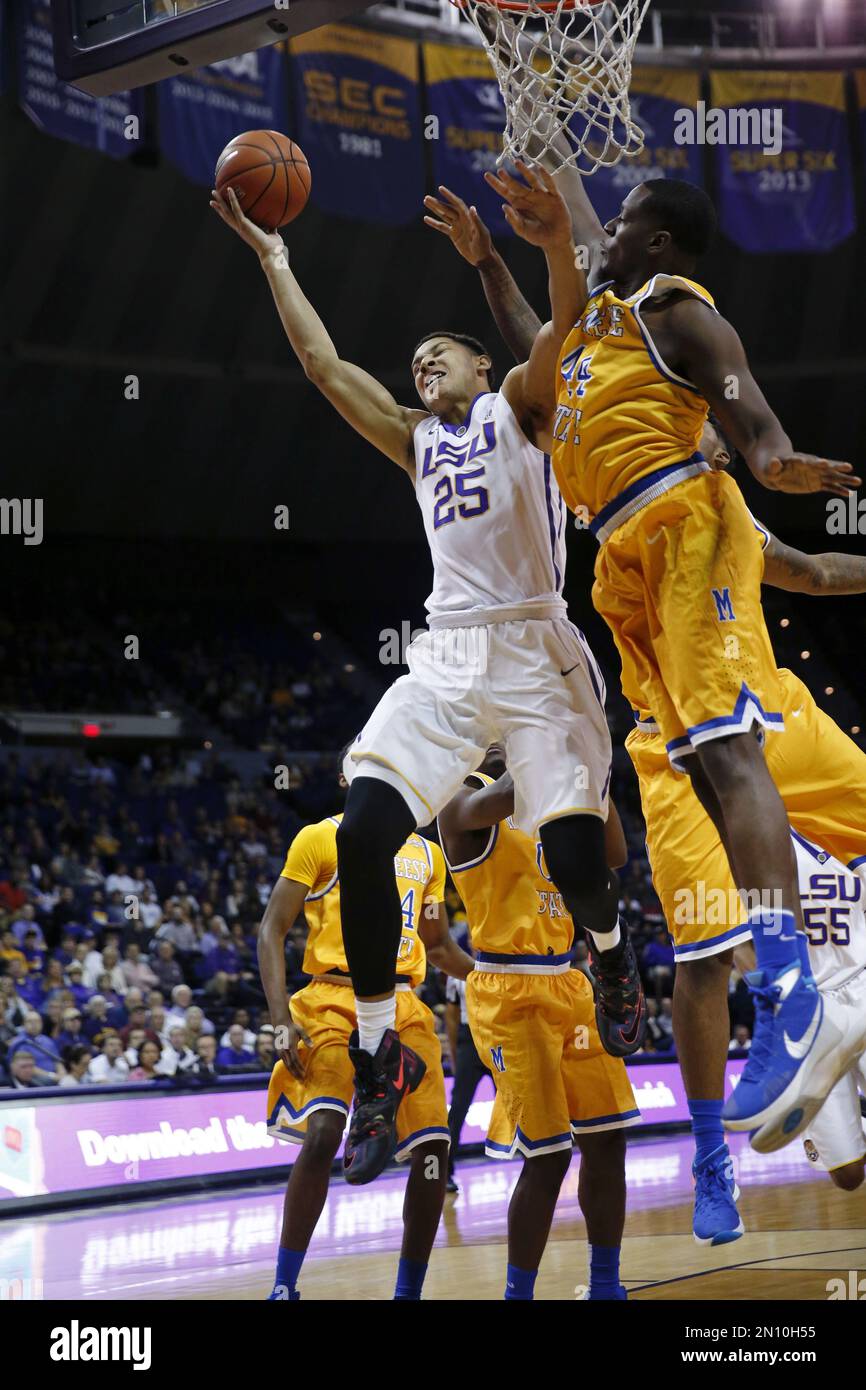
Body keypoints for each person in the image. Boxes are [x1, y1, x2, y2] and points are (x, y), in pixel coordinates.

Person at [213, 165, 646, 1185]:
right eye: (413, 361)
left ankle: (611, 950)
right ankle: (376, 1056)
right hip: (448, 649)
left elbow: (564, 326)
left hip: (536, 644)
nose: (419, 365)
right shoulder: (416, 443)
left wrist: (537, 244)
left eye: (436, 353)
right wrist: (275, 257)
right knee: (363, 830)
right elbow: (324, 365)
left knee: (572, 855)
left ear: (480, 362)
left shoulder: (520, 409)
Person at [257, 768, 473, 1301]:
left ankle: (408, 1292)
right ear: (346, 775)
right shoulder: (319, 836)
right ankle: (284, 1285)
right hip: (331, 999)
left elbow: (438, 946)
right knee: (324, 1133)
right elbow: (272, 929)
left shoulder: (429, 855)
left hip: (403, 1005)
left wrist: (494, 974)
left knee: (432, 1151)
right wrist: (280, 1017)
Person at [438, 747, 641, 1301]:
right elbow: (496, 797)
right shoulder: (460, 796)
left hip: (570, 980)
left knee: (608, 1139)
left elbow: (615, 853)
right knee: (549, 1155)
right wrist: (560, 742)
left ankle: (605, 1285)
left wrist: (593, 770)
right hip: (508, 988)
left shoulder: (554, 791)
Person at [443, 974, 490, 1195]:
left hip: (497, 1036)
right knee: (458, 1109)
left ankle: (535, 1161)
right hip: (469, 1039)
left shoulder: (504, 964)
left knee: (516, 1105)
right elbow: (451, 1015)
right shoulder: (456, 973)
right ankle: (444, 1173)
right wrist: (454, 1055)